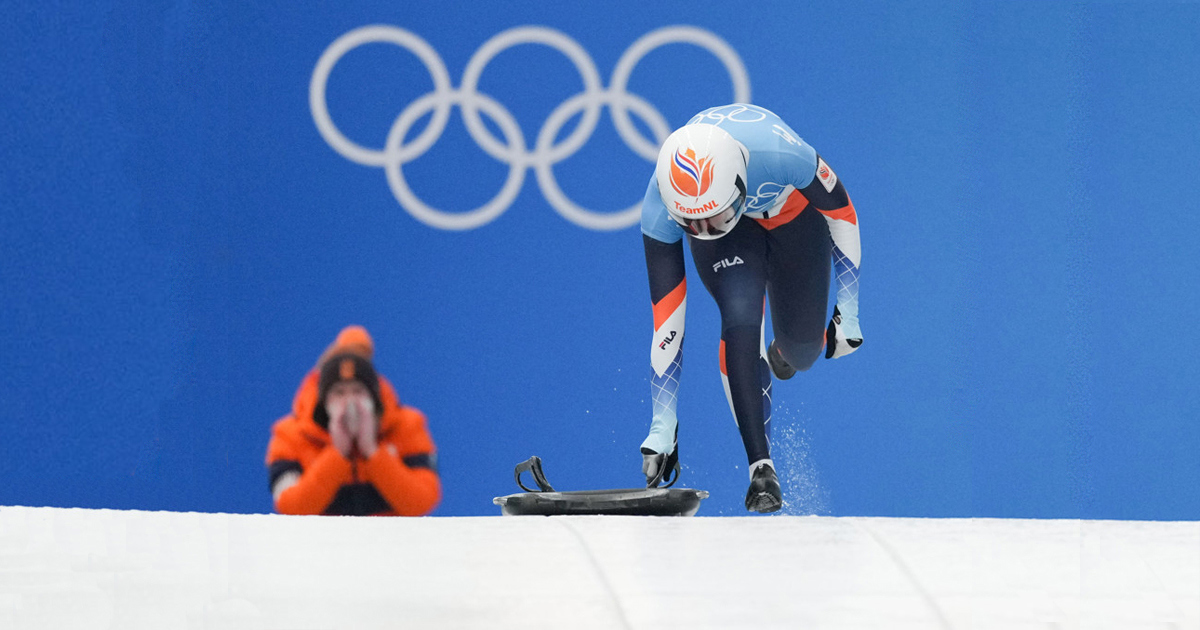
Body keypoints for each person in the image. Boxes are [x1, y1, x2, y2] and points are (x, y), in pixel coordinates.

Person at [638, 103, 863, 513]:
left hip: (793, 216)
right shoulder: (660, 205)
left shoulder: (782, 154)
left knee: (803, 352)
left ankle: (784, 353)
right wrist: (661, 425)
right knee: (741, 315)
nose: (705, 231)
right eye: (693, 225)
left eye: (716, 217)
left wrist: (849, 309)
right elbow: (667, 318)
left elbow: (842, 214)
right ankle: (761, 468)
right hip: (735, 241)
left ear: (740, 185)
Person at [265, 325, 441, 516]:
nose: (349, 401)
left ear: (374, 398)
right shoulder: (289, 435)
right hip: (321, 545)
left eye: (358, 391)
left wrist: (372, 452)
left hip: (392, 544)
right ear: (323, 402)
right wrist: (337, 454)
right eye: (339, 393)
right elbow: (291, 507)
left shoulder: (407, 425)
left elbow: (422, 502)